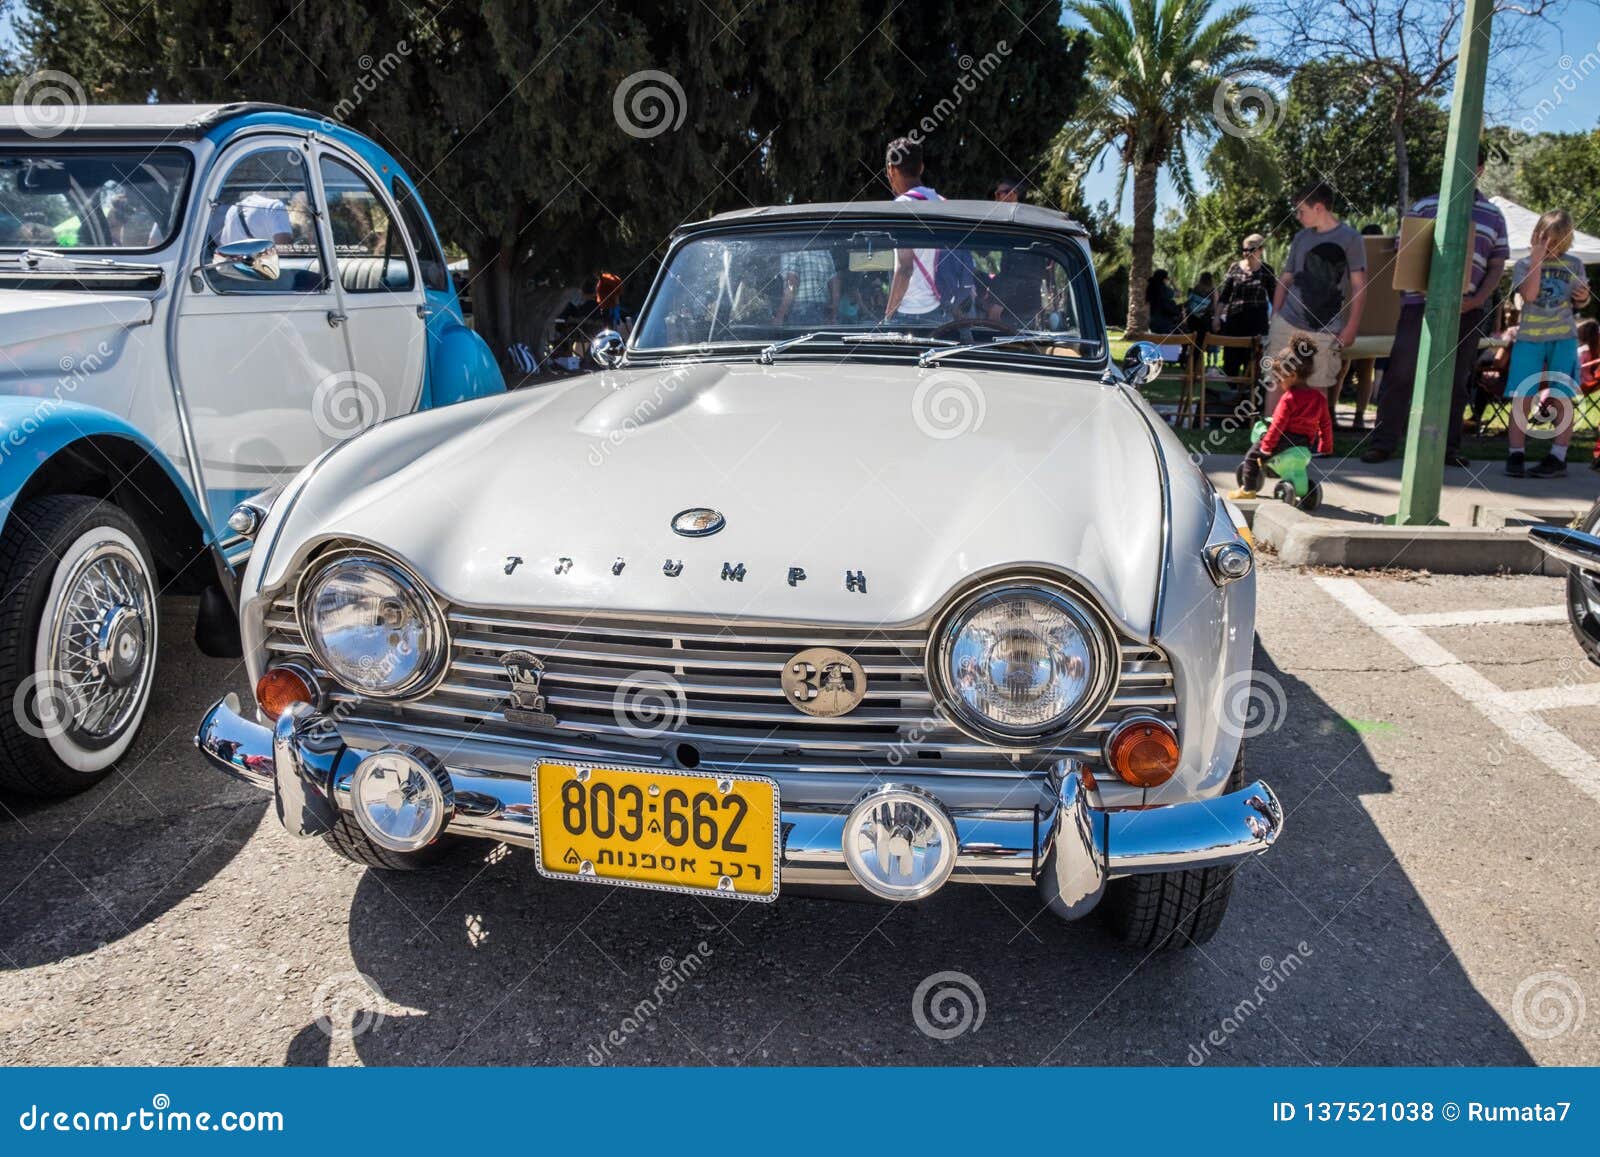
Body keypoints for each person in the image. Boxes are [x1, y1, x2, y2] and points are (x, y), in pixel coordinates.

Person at [1362, 149, 1509, 465]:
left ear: (1480, 169)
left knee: (1456, 381)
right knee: (1401, 374)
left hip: (1467, 310)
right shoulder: (1425, 206)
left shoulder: (1493, 215)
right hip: (1419, 305)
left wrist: (1479, 299)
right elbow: (1405, 255)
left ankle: (1449, 449)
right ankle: (1383, 444)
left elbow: (1497, 264)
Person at [1266, 183, 1367, 415]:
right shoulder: (1301, 238)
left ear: (1319, 207)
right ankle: (1267, 437)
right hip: (1288, 321)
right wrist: (1275, 315)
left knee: (1318, 384)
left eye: (1302, 211)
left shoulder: (1351, 239)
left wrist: (1351, 327)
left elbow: (1360, 285)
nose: (1298, 217)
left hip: (1325, 326)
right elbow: (1286, 277)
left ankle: (1312, 441)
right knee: (1276, 379)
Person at [1505, 208, 1590, 478]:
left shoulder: (1574, 264)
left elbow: (1581, 301)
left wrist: (1584, 296)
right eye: (1546, 240)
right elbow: (1529, 295)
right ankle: (1516, 453)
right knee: (1523, 396)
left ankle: (1558, 457)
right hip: (1530, 338)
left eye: (1557, 243)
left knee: (1561, 396)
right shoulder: (1524, 265)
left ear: (1566, 241)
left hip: (1563, 338)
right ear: (1536, 236)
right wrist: (1537, 260)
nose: (1551, 247)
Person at [1229, 337, 1335, 498]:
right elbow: (1326, 424)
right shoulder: (1319, 398)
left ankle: (1248, 489)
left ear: (1292, 375)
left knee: (1251, 457)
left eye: (1279, 378)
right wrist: (1325, 446)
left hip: (1283, 441)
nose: (1279, 383)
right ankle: (1307, 491)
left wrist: (1266, 447)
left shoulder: (1289, 398)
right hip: (1305, 443)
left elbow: (1277, 426)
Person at [882, 137, 945, 326]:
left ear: (891, 169)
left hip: (909, 312)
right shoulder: (939, 201)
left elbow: (905, 268)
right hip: (940, 308)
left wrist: (888, 315)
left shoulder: (902, 207)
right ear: (922, 168)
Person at [1213, 233, 1277, 385]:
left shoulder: (1267, 270)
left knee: (1254, 364)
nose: (1246, 253)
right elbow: (1224, 296)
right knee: (1231, 362)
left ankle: (1250, 398)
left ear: (1261, 250)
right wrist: (1216, 317)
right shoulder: (1234, 267)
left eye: (1251, 249)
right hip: (1235, 321)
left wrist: (1277, 320)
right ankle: (1232, 395)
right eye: (1244, 249)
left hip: (1257, 323)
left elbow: (1275, 298)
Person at [986, 177, 1046, 327]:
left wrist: (997, 304)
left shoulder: (1022, 226)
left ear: (1012, 194)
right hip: (1018, 304)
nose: (996, 199)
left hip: (1017, 308)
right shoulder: (1014, 224)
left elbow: (1021, 272)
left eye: (999, 194)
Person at [773, 247, 840, 325]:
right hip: (823, 309)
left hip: (800, 311)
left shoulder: (791, 250)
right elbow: (834, 281)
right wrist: (834, 311)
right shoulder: (824, 251)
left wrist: (780, 315)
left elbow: (792, 282)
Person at [218, 189, 293, 247]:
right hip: (266, 266)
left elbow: (225, 246)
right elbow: (284, 249)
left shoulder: (232, 209)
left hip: (237, 266)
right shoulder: (275, 206)